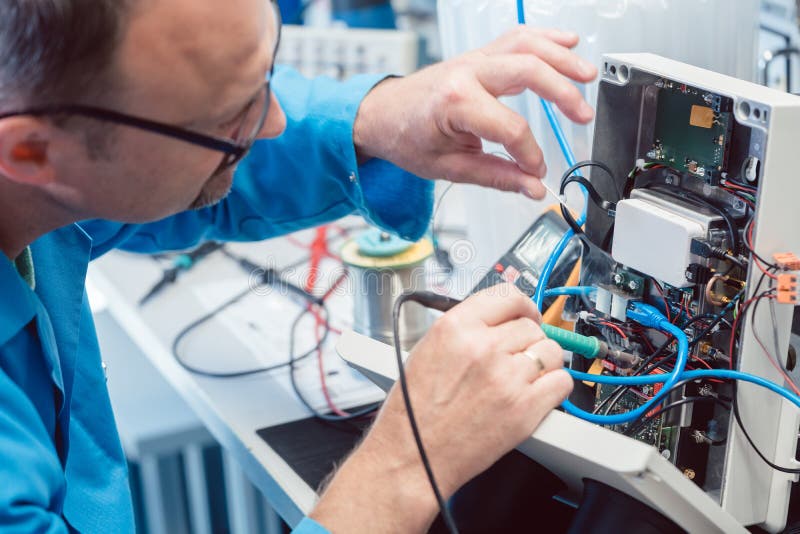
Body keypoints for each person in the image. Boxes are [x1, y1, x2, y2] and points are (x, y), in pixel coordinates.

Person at [0, 0, 596, 531]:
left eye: (268, 75)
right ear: (32, 152)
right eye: (228, 118)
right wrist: (407, 463)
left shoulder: (38, 175)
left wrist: (374, 117)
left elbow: (155, 170)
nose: (275, 122)